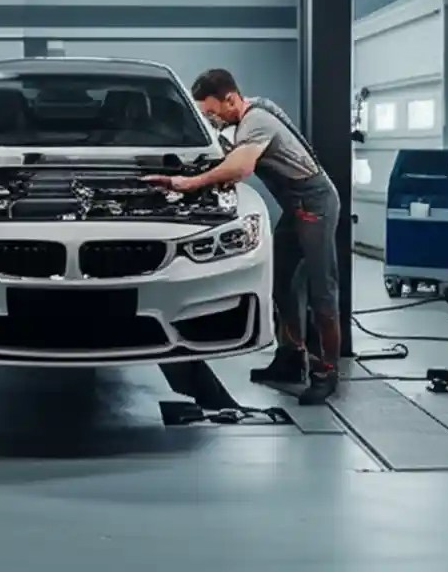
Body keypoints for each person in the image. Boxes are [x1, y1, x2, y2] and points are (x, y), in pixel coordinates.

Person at [143, 69, 342, 404]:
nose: (213, 119)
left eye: (213, 112)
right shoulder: (250, 112)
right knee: (281, 281)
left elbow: (240, 168)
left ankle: (327, 373)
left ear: (230, 99)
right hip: (296, 206)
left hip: (315, 203)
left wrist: (188, 184)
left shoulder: (256, 121)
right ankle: (292, 358)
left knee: (322, 289)